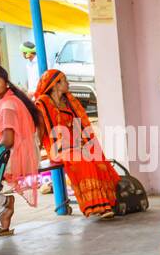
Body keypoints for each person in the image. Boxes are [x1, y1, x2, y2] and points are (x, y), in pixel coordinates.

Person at [34, 68, 121, 219]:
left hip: (74, 144)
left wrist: (81, 141)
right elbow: (40, 131)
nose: (68, 83)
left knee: (96, 156)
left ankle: (106, 202)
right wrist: (35, 155)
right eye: (65, 80)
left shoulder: (69, 101)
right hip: (58, 148)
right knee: (83, 159)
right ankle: (94, 206)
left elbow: (79, 126)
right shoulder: (43, 103)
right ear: (55, 84)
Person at [0, 63, 43, 234]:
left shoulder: (8, 105)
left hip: (17, 157)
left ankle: (4, 204)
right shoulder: (10, 100)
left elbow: (8, 141)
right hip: (24, 154)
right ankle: (3, 210)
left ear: (6, 82)